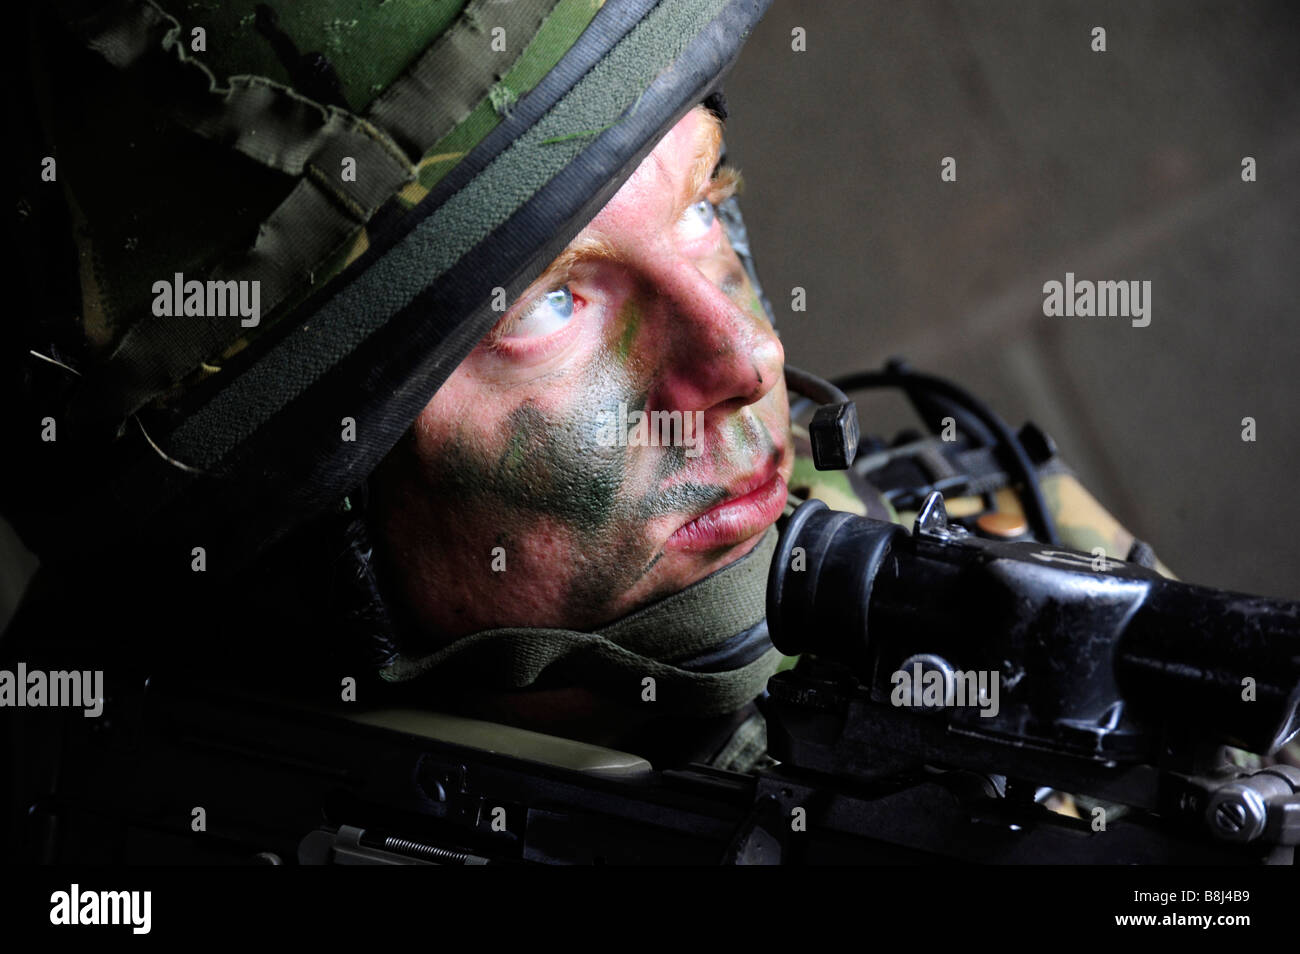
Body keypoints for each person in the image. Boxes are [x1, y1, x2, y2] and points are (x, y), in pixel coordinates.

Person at [5, 0, 1291, 862]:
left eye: (702, 201)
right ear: (293, 494)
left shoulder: (1002, 566)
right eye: (549, 303)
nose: (744, 361)